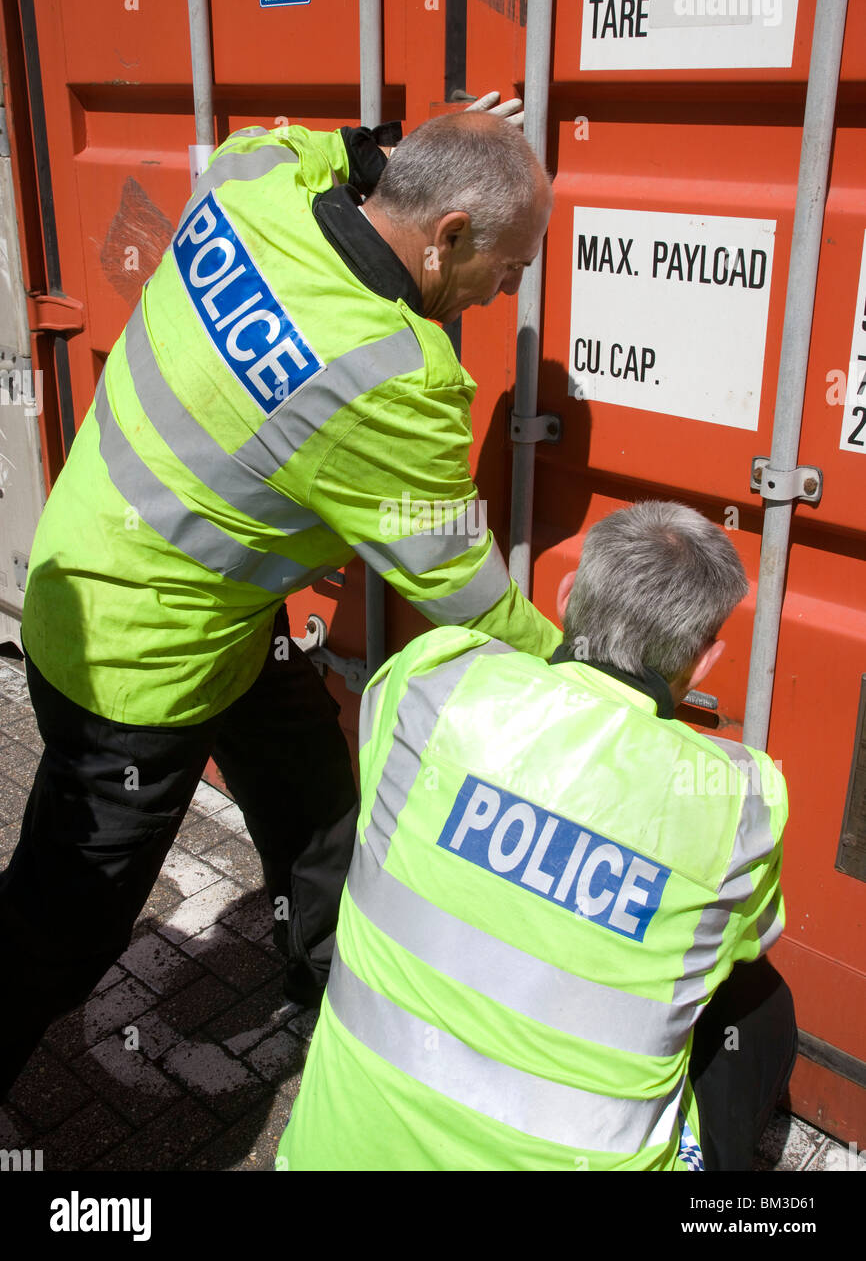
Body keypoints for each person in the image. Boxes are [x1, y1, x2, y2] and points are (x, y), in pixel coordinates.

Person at [0, 107, 562, 1098]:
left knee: (313, 803)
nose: (504, 290)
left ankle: (327, 1002)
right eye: (508, 267)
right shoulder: (392, 378)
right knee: (59, 928)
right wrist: (588, 671)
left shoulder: (255, 187)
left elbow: (286, 140)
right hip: (136, 666)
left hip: (131, 577)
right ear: (449, 236)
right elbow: (464, 591)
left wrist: (389, 141)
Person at [277, 500, 796, 1171]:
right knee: (761, 1003)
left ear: (564, 596)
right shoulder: (741, 801)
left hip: (327, 1159)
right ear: (705, 663)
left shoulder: (434, 679)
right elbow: (742, 944)